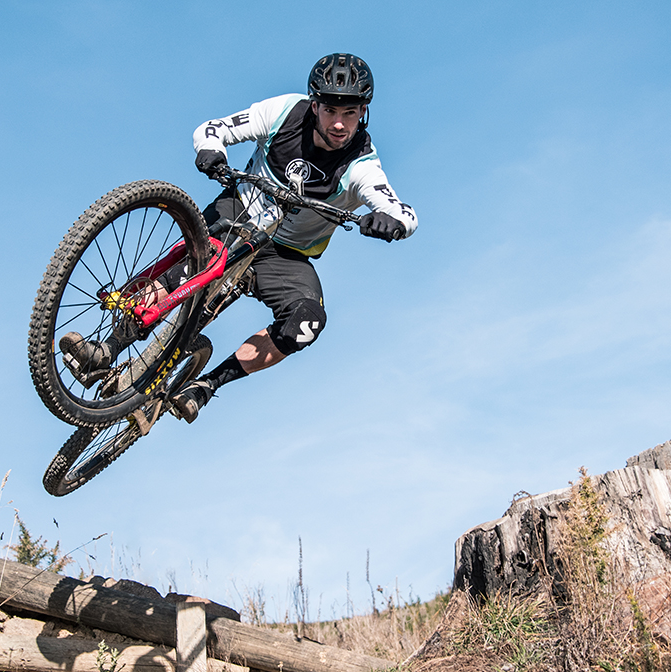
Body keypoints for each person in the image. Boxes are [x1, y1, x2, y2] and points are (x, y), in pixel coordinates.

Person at [61, 53, 417, 422]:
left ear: (364, 112)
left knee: (308, 322)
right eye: (331, 110)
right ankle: (104, 350)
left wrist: (388, 222)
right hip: (241, 211)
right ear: (314, 105)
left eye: (351, 112)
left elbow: (404, 213)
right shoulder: (283, 112)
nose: (340, 123)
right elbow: (213, 128)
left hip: (286, 254)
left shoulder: (362, 163)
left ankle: (206, 386)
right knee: (196, 266)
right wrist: (211, 150)